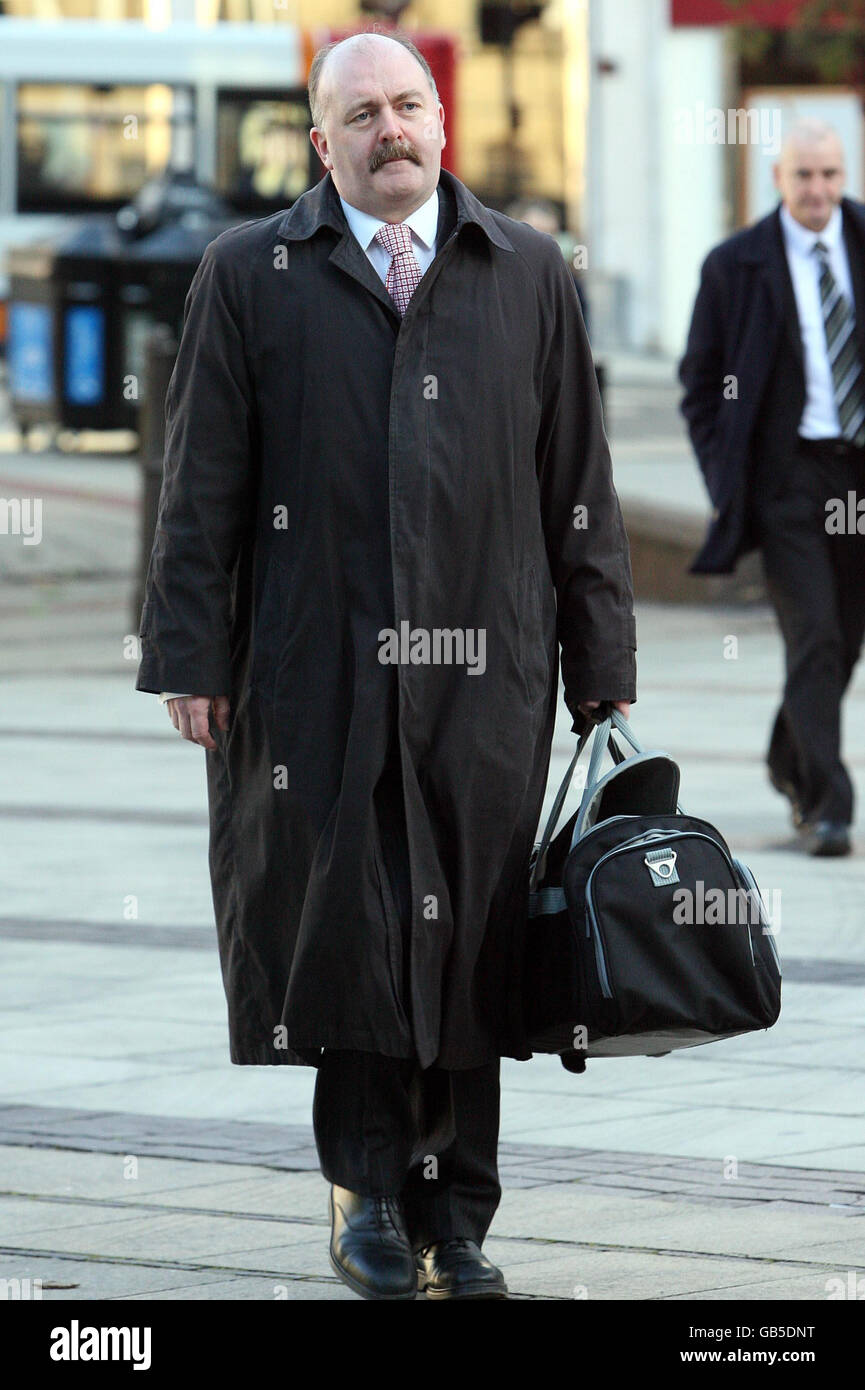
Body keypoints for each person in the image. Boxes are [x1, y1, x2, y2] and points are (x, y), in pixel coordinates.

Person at [136, 30, 636, 1300]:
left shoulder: (524, 269)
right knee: (350, 923)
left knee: (473, 934)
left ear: (441, 121)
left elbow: (577, 482)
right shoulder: (252, 272)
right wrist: (192, 651)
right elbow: (200, 483)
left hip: (487, 671)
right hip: (314, 665)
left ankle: (457, 1217)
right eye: (361, 114)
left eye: (408, 105)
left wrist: (602, 664)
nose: (391, 130)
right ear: (322, 143)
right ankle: (366, 1195)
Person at [679, 119, 865, 857]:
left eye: (829, 174)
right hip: (786, 479)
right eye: (803, 176)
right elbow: (699, 385)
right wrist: (726, 479)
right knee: (813, 633)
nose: (817, 190)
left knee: (844, 639)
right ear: (776, 180)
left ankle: (786, 755)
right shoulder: (735, 265)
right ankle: (827, 805)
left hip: (858, 473)